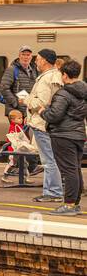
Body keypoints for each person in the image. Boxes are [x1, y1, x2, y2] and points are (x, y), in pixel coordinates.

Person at [41, 59, 86, 216]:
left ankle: (68, 204)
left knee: (68, 170)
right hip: (79, 134)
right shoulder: (84, 91)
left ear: (65, 75)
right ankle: (75, 203)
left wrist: (42, 111)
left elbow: (54, 116)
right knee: (75, 169)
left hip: (63, 135)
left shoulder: (64, 93)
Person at [25, 48, 65, 205]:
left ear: (45, 61)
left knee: (48, 160)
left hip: (42, 123)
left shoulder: (46, 79)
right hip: (52, 123)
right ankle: (53, 191)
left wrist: (27, 100)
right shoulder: (56, 76)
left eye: (38, 59)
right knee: (52, 159)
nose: (36, 61)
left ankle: (53, 192)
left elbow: (41, 103)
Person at [0, 108, 38, 183]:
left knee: (24, 164)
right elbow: (12, 138)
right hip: (14, 149)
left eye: (22, 118)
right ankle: (4, 176)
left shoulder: (19, 126)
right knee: (12, 163)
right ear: (13, 120)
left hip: (20, 149)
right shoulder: (13, 127)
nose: (21, 119)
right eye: (19, 118)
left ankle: (26, 178)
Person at [0, 46, 38, 118]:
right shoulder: (11, 69)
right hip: (16, 111)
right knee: (18, 129)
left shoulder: (34, 70)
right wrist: (16, 103)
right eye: (23, 54)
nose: (25, 57)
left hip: (29, 109)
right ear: (19, 56)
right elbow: (4, 88)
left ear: (31, 57)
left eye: (28, 55)